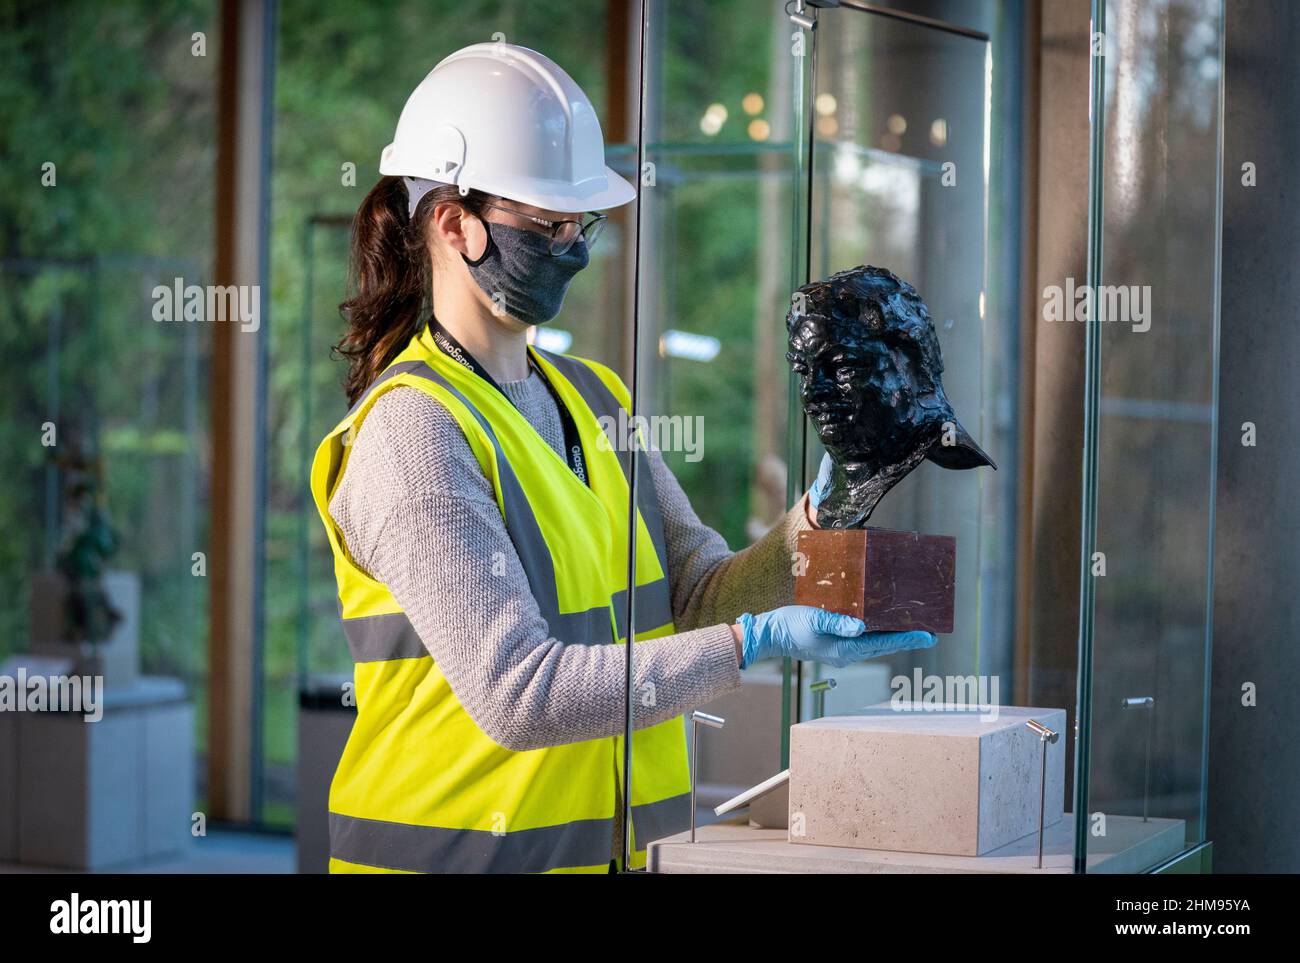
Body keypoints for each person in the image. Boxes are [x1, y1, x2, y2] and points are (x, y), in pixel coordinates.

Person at [308, 41, 935, 875]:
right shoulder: (412, 434)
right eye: (546, 223)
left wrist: (820, 521)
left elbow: (696, 591)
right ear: (454, 225)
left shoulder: (597, 399)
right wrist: (750, 645)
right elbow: (518, 692)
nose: (573, 243)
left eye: (582, 223)